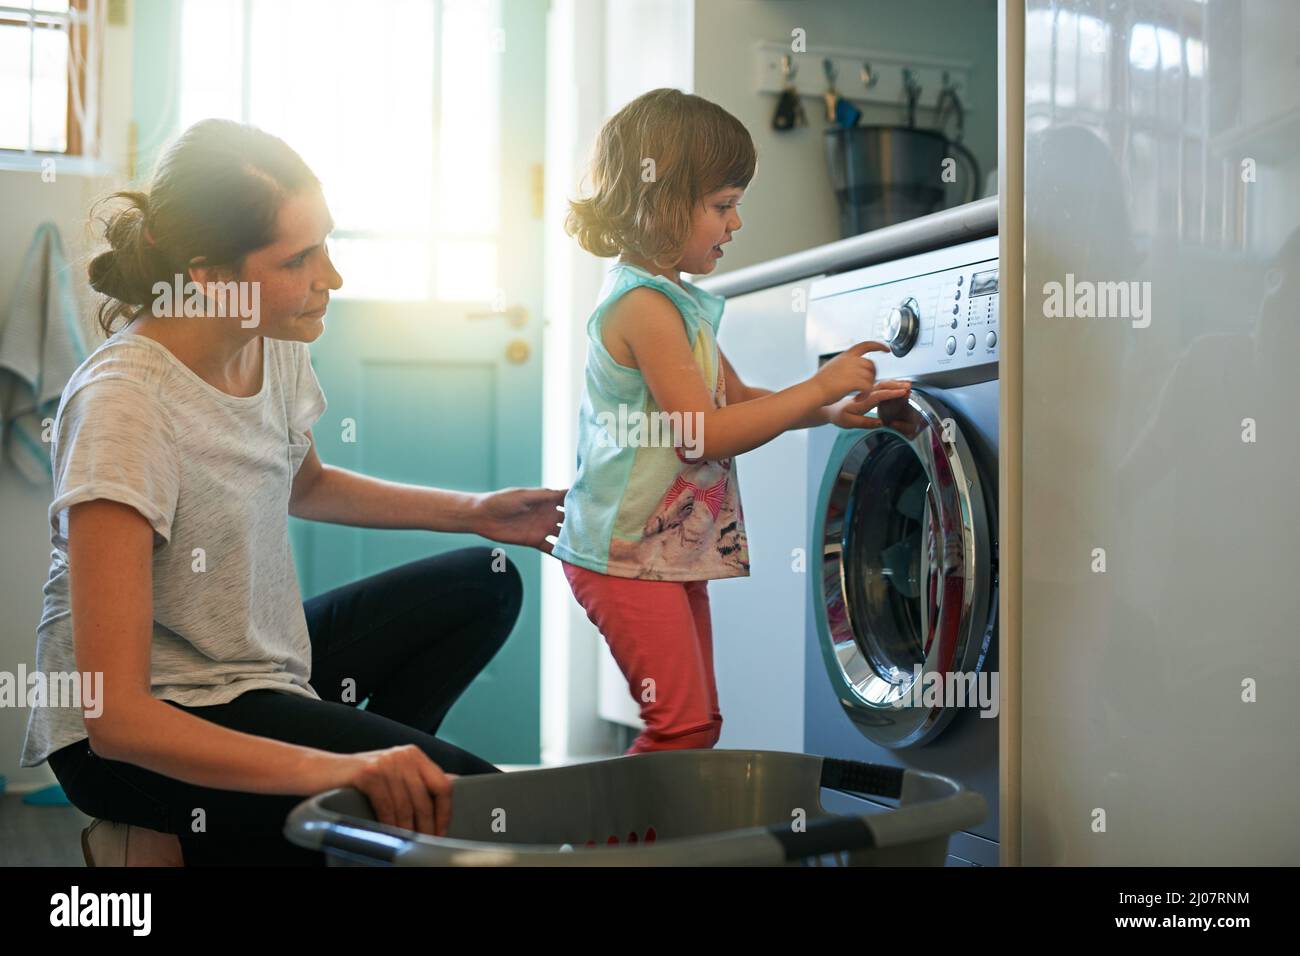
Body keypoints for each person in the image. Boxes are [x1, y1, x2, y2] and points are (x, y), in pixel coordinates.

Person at [18, 118, 565, 866]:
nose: (331, 279)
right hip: (136, 739)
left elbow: (309, 484)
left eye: (326, 245)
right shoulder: (126, 408)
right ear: (208, 277)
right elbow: (115, 717)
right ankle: (313, 811)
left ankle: (332, 819)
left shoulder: (267, 343)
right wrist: (346, 767)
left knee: (486, 584)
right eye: (298, 259)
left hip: (255, 674)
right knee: (473, 803)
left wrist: (475, 514)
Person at [553, 89, 910, 754]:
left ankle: (652, 850)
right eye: (722, 205)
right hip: (622, 551)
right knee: (682, 726)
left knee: (698, 726)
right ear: (659, 202)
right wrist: (813, 387)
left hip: (663, 547)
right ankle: (610, 852)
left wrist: (828, 408)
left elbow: (733, 396)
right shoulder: (644, 308)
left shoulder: (678, 301)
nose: (736, 222)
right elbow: (702, 435)